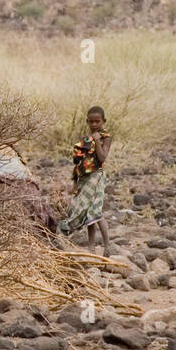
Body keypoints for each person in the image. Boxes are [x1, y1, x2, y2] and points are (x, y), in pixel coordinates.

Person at [57, 106, 112, 251]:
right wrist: (75, 182)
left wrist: (98, 141)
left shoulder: (106, 137)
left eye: (97, 121)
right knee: (88, 212)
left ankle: (107, 246)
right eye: (91, 122)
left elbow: (102, 157)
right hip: (84, 178)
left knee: (96, 211)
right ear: (87, 122)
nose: (94, 124)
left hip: (97, 176)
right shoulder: (84, 141)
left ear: (103, 121)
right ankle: (91, 246)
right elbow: (78, 162)